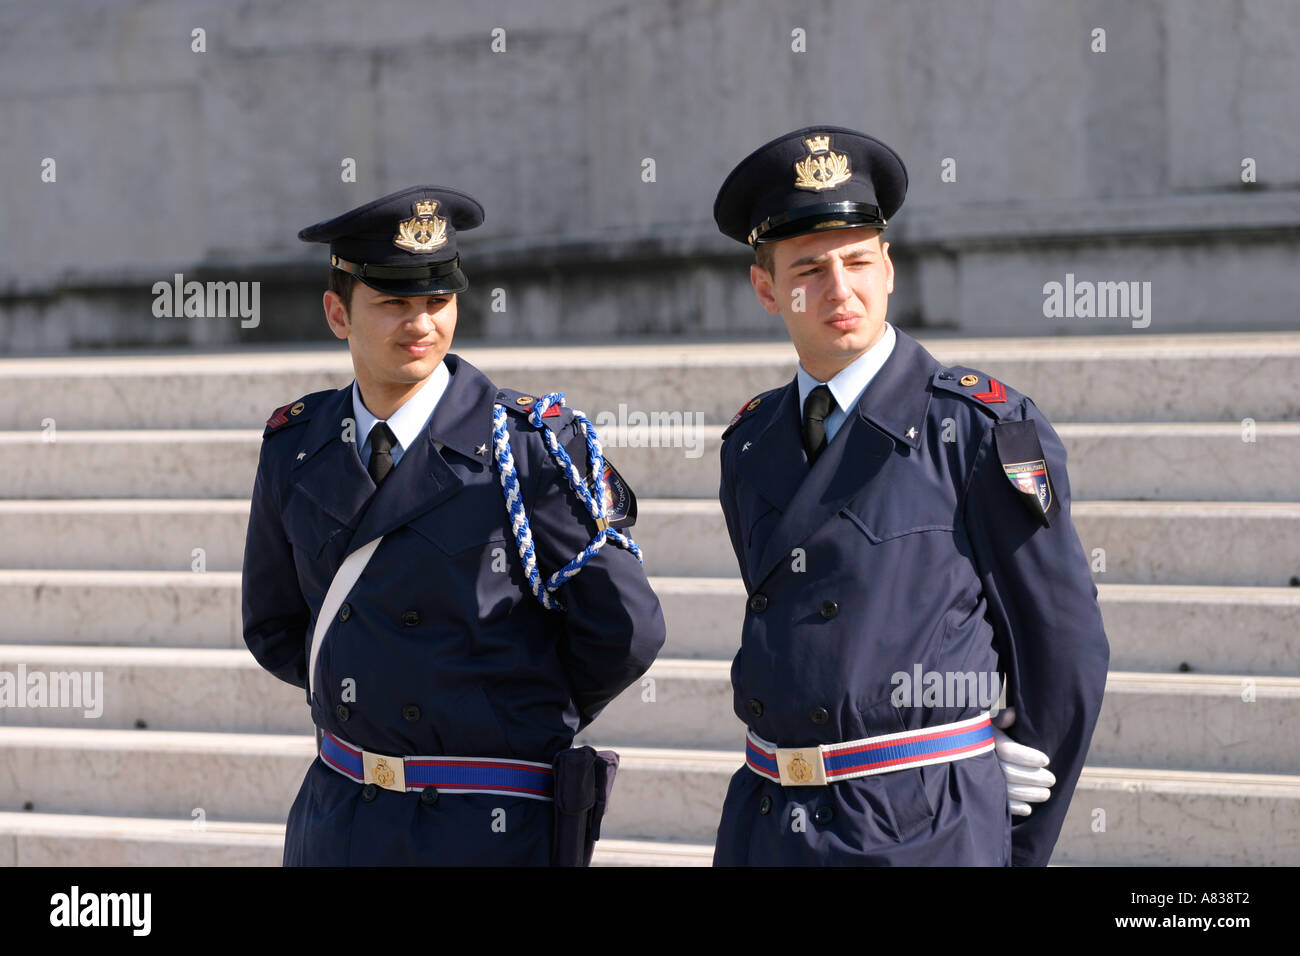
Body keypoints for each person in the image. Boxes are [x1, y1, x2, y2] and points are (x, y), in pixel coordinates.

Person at [709, 127, 1109, 866]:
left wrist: (999, 835)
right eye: (810, 268)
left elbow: (1063, 648)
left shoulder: (980, 427)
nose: (841, 289)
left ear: (889, 268)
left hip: (921, 827)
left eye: (860, 260)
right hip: (767, 822)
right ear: (768, 288)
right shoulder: (752, 442)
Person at [241, 184, 666, 866]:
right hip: (342, 813)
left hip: (485, 820)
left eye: (437, 300)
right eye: (393, 302)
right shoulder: (297, 443)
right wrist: (374, 695)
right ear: (336, 312)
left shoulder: (531, 446)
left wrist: (503, 709)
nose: (420, 323)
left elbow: (626, 627)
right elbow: (274, 622)